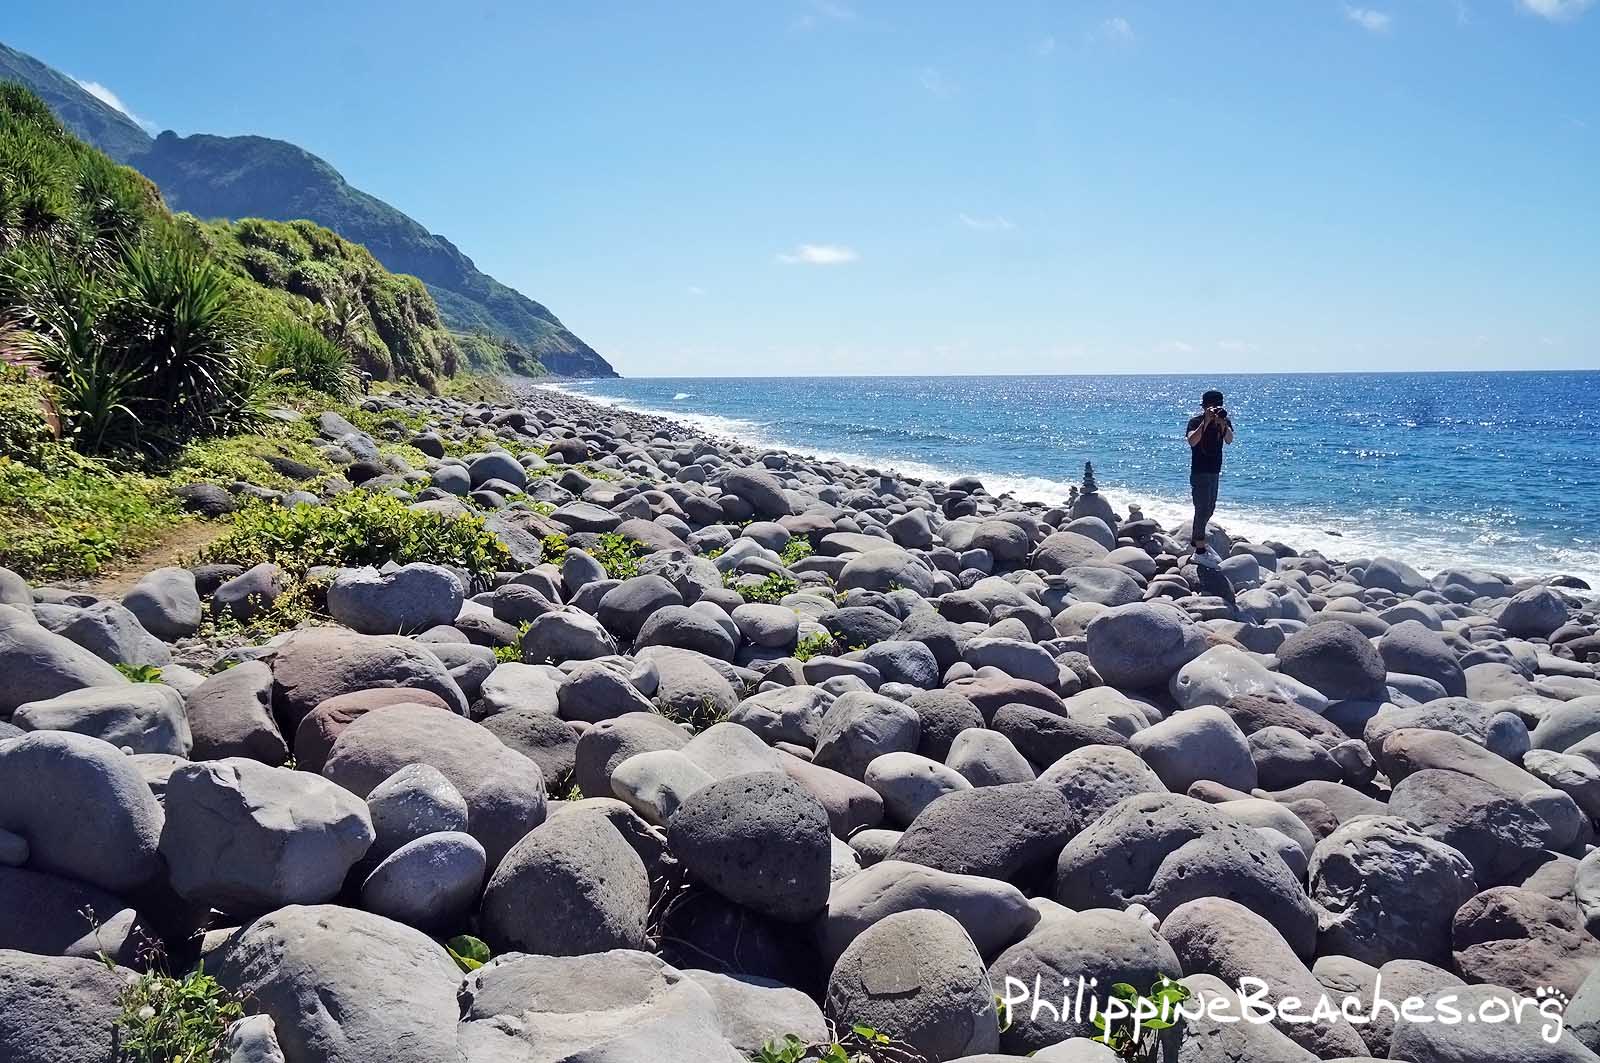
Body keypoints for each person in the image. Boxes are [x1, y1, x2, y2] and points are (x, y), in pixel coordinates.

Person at [1185, 389, 1234, 560]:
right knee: (1201, 508)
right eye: (1212, 406)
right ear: (1204, 407)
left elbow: (1229, 440)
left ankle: (1197, 541)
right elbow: (1192, 441)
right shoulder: (1195, 421)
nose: (1215, 409)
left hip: (1214, 470)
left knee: (1210, 508)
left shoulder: (1223, 421)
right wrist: (1205, 422)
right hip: (1200, 471)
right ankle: (1199, 550)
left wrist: (1222, 423)